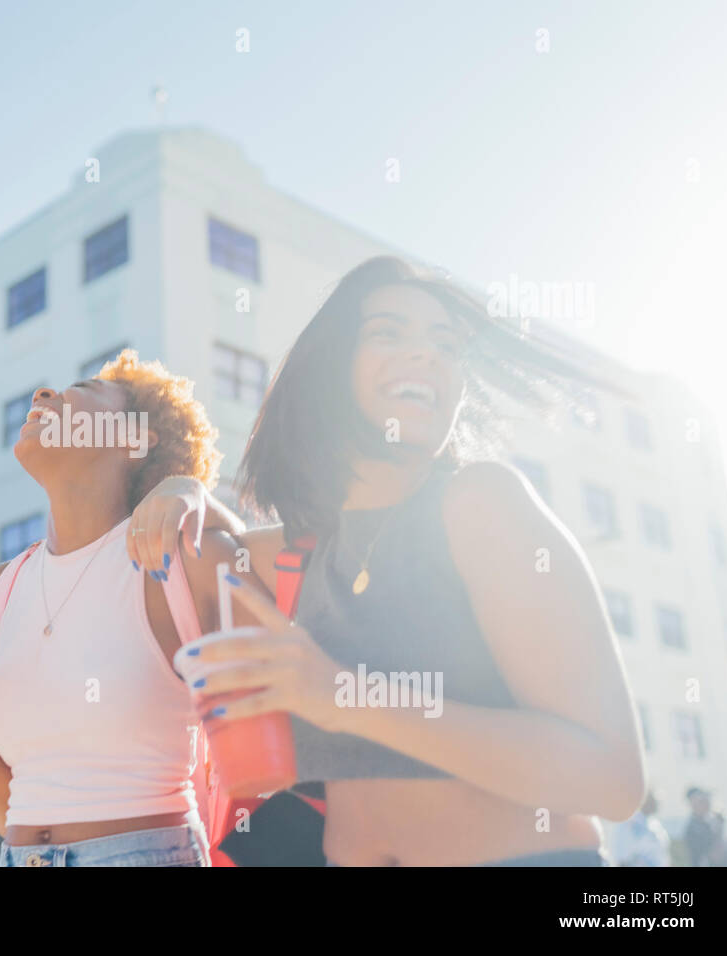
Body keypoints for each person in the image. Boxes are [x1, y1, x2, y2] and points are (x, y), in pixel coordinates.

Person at [125, 256, 647, 865]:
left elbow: (613, 780)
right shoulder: (313, 548)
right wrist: (183, 488)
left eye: (445, 343)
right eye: (388, 332)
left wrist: (342, 694)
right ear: (330, 368)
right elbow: (213, 547)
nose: (426, 354)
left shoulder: (480, 503)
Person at [0, 350, 263, 866]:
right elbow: (12, 804)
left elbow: (272, 581)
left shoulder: (172, 557)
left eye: (82, 390)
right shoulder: (0, 590)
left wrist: (197, 496)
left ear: (139, 437)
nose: (43, 395)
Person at [610, 791, 670, 866]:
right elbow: (622, 857)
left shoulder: (655, 824)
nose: (657, 804)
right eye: (654, 800)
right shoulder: (628, 822)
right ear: (644, 800)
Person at [684, 787, 727, 866]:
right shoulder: (693, 828)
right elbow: (697, 854)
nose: (706, 805)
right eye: (702, 802)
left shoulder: (716, 820)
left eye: (707, 802)